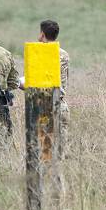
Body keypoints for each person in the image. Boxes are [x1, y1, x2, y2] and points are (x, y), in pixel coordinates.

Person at [38, 19, 70, 159]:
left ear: (42, 34)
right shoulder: (64, 54)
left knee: (46, 153)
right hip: (61, 105)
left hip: (45, 106)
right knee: (60, 154)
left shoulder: (39, 53)